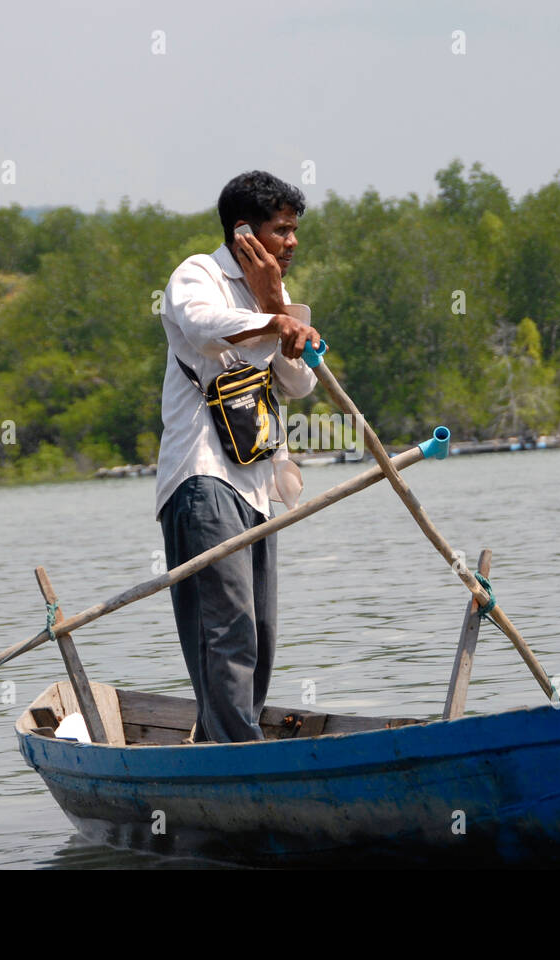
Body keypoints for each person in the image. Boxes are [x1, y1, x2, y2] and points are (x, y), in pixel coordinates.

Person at [155, 170, 322, 744]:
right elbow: (202, 329)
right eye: (283, 230)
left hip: (256, 486)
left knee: (262, 631)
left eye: (296, 230)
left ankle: (229, 736)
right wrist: (272, 319)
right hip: (202, 478)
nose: (293, 242)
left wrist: (278, 306)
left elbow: (298, 385)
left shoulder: (273, 298)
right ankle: (237, 754)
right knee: (226, 628)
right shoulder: (198, 274)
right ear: (245, 231)